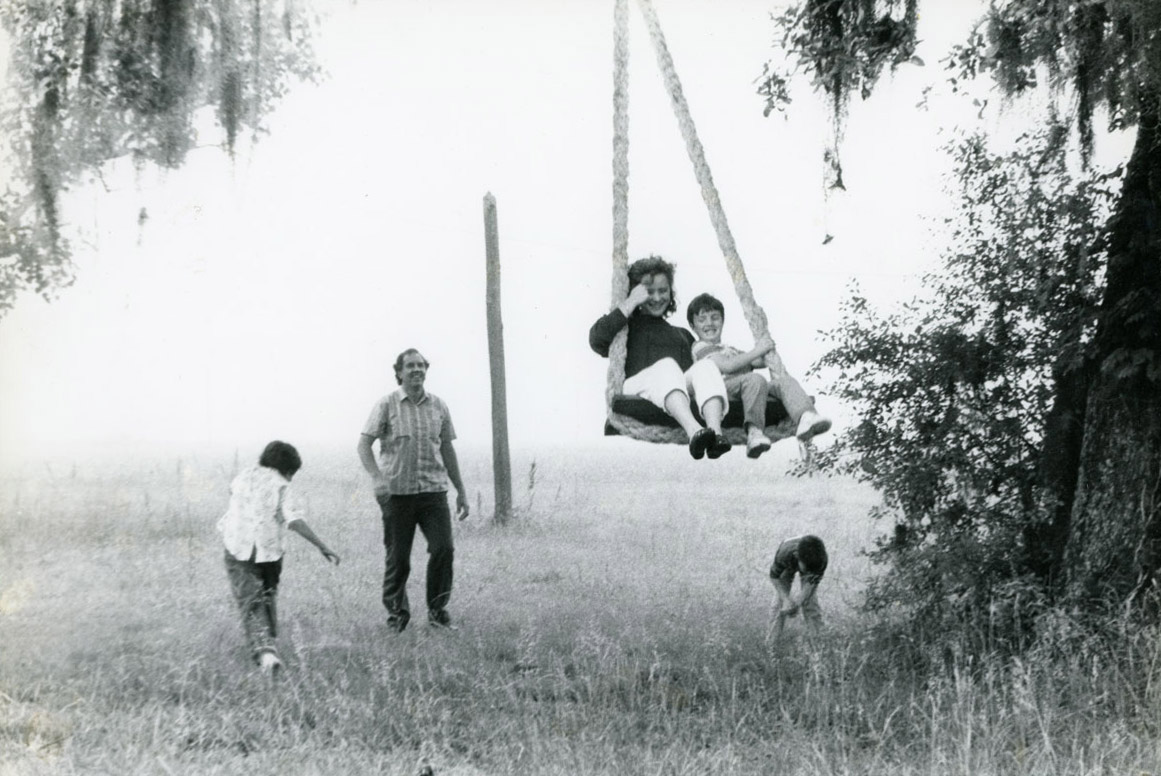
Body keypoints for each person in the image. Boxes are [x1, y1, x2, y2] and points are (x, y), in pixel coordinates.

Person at [357, 348, 469, 633]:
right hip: (397, 495)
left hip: (433, 493)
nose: (417, 370)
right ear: (399, 372)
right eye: (410, 366)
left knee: (444, 549)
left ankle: (438, 612)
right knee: (398, 559)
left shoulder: (439, 406)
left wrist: (461, 490)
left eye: (421, 365)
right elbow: (363, 445)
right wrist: (377, 478)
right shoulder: (386, 404)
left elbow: (446, 447)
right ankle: (397, 617)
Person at [589, 255, 732, 460]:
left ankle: (715, 434)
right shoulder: (625, 330)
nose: (657, 298)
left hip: (674, 397)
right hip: (636, 391)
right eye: (649, 292)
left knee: (705, 367)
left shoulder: (682, 334)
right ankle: (695, 432)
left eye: (663, 291)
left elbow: (706, 373)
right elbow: (597, 339)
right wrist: (630, 302)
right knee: (668, 366)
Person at [217, 440, 340, 676]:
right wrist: (322, 546)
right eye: (292, 473)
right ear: (287, 469)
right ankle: (267, 649)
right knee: (266, 595)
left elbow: (231, 492)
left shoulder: (243, 476)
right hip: (269, 551)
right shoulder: (283, 485)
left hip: (236, 547)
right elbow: (294, 520)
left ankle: (266, 651)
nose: (291, 478)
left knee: (251, 600)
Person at [686, 292, 831, 459]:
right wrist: (759, 349)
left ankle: (806, 416)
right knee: (755, 379)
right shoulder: (700, 347)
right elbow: (728, 365)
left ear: (722, 321)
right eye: (702, 319)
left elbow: (758, 362)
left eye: (715, 317)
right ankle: (754, 431)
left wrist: (763, 334)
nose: (709, 323)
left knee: (785, 382)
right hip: (721, 393)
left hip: (749, 390)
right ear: (693, 326)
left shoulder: (730, 349)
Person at [769, 534, 828, 637]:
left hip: (808, 562)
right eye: (807, 569)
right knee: (779, 604)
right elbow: (774, 577)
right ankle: (771, 646)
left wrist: (798, 603)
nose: (809, 571)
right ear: (797, 557)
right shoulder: (784, 553)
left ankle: (819, 644)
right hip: (787, 564)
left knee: (810, 604)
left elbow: (809, 586)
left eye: (812, 570)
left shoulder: (821, 561)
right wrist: (786, 599)